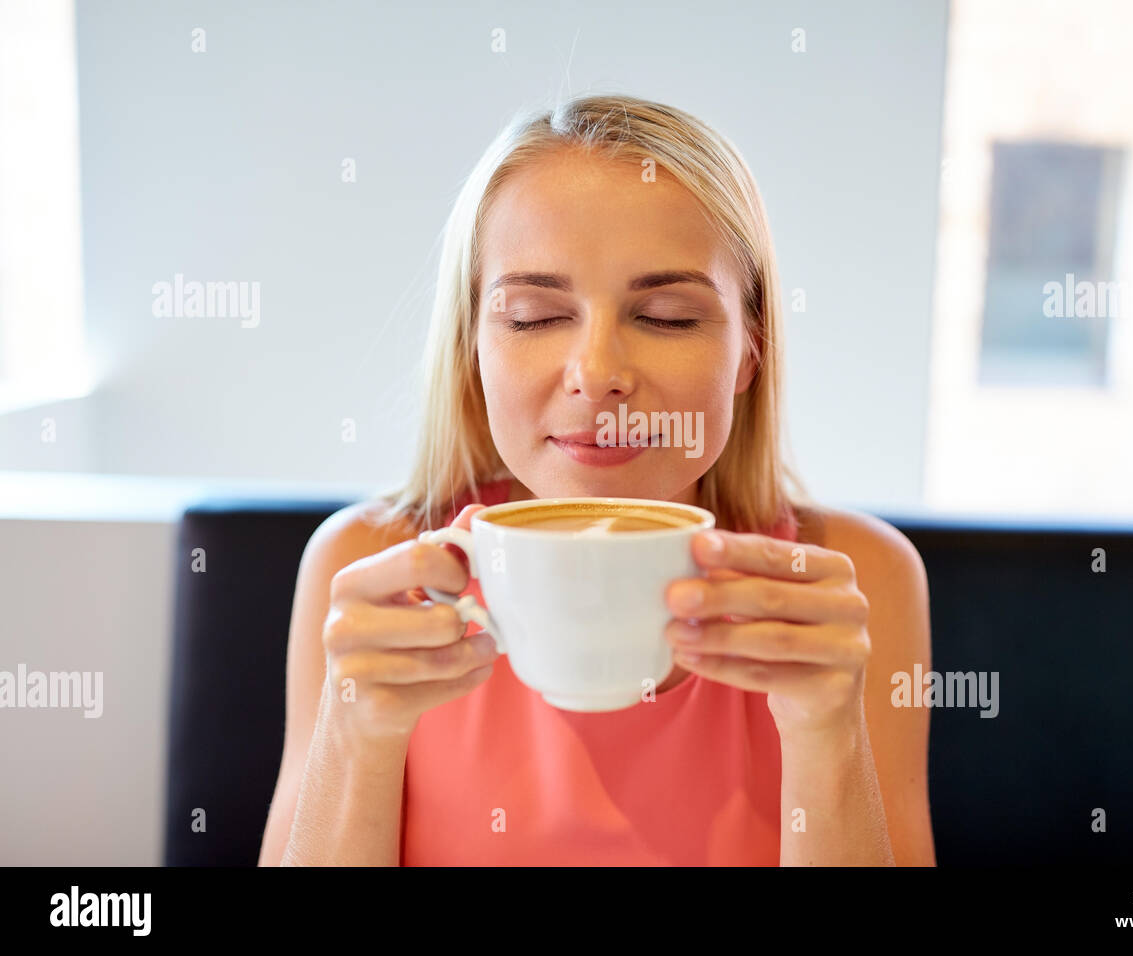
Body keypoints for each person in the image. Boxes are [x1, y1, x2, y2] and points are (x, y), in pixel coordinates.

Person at [258, 93, 935, 866]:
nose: (599, 374)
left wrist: (826, 736)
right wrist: (355, 734)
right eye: (535, 318)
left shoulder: (853, 582)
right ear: (471, 349)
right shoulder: (369, 574)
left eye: (670, 317)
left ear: (750, 350)